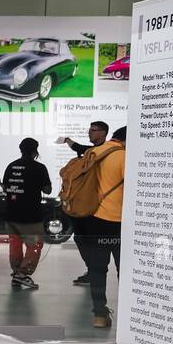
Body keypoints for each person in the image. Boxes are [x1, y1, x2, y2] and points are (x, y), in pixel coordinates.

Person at [78, 127, 126, 329]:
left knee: (97, 269)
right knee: (124, 269)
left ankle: (99, 314)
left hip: (94, 219)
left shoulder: (92, 152)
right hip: (119, 222)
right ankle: (128, 316)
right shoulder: (124, 156)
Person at [59, 120, 110, 285]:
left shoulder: (102, 152)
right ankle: (92, 270)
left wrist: (68, 141)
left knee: (90, 240)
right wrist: (67, 141)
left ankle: (95, 272)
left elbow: (79, 148)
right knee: (81, 238)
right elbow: (78, 147)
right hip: (86, 202)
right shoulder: (91, 151)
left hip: (98, 204)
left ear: (103, 133)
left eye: (94, 130)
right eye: (90, 129)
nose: (89, 132)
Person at [2, 137, 52, 290]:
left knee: (15, 245)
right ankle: (22, 274)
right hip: (31, 216)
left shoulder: (11, 166)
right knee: (34, 245)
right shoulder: (39, 168)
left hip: (11, 214)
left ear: (20, 149)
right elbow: (47, 189)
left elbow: (5, 187)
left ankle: (17, 273)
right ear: (35, 151)